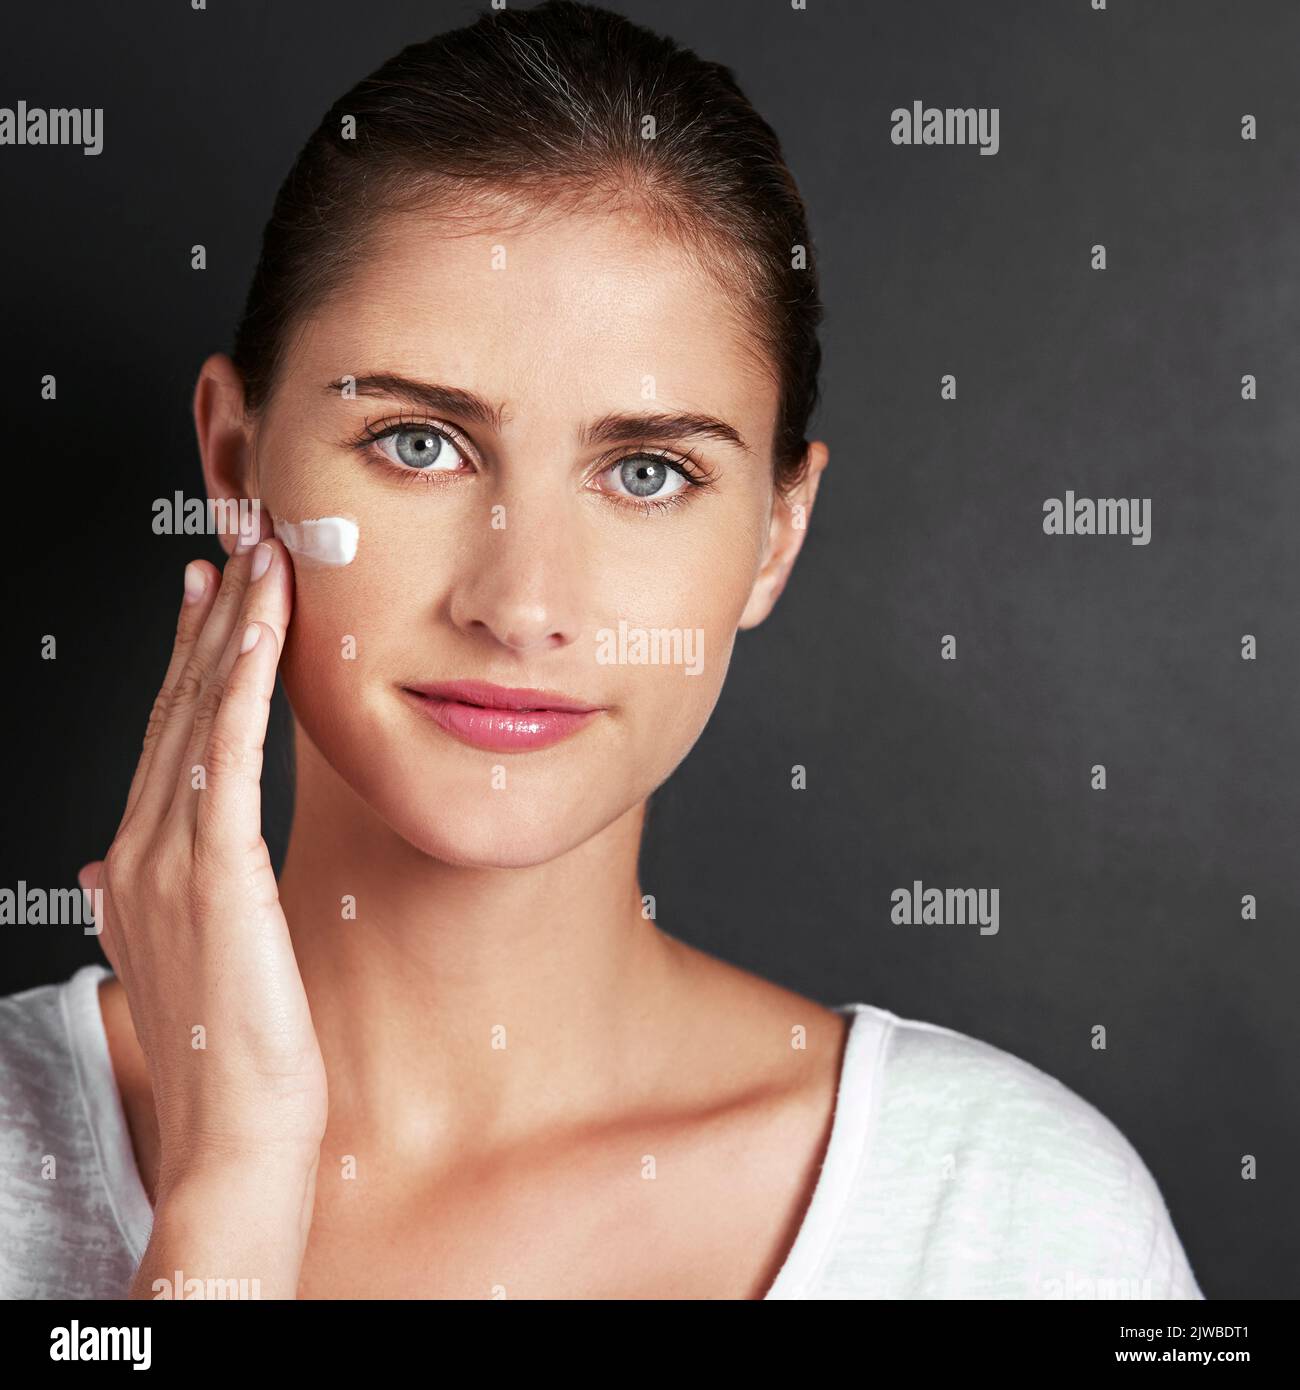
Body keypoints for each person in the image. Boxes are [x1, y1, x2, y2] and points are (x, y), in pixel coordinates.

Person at [0, 0, 1201, 1300]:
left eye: (645, 470)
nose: (523, 604)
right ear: (237, 464)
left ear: (774, 538)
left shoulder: (1019, 1216)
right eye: (419, 443)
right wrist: (230, 1188)